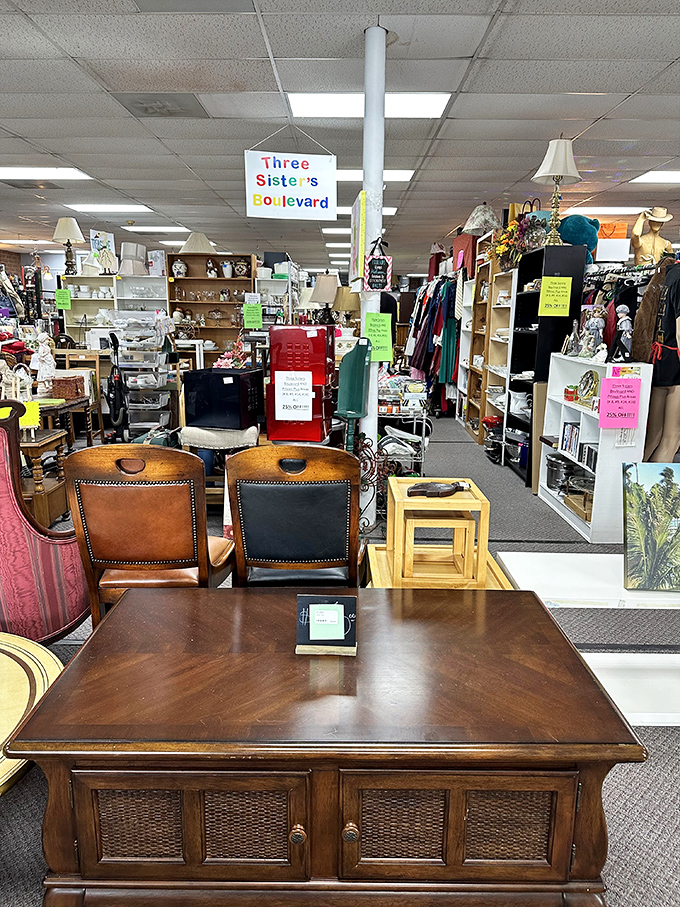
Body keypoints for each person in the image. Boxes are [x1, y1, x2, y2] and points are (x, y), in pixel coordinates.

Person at [644, 262, 680, 462]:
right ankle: (648, 492)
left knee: (653, 437)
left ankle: (626, 488)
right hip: (676, 361)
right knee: (671, 439)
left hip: (659, 356)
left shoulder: (669, 273)